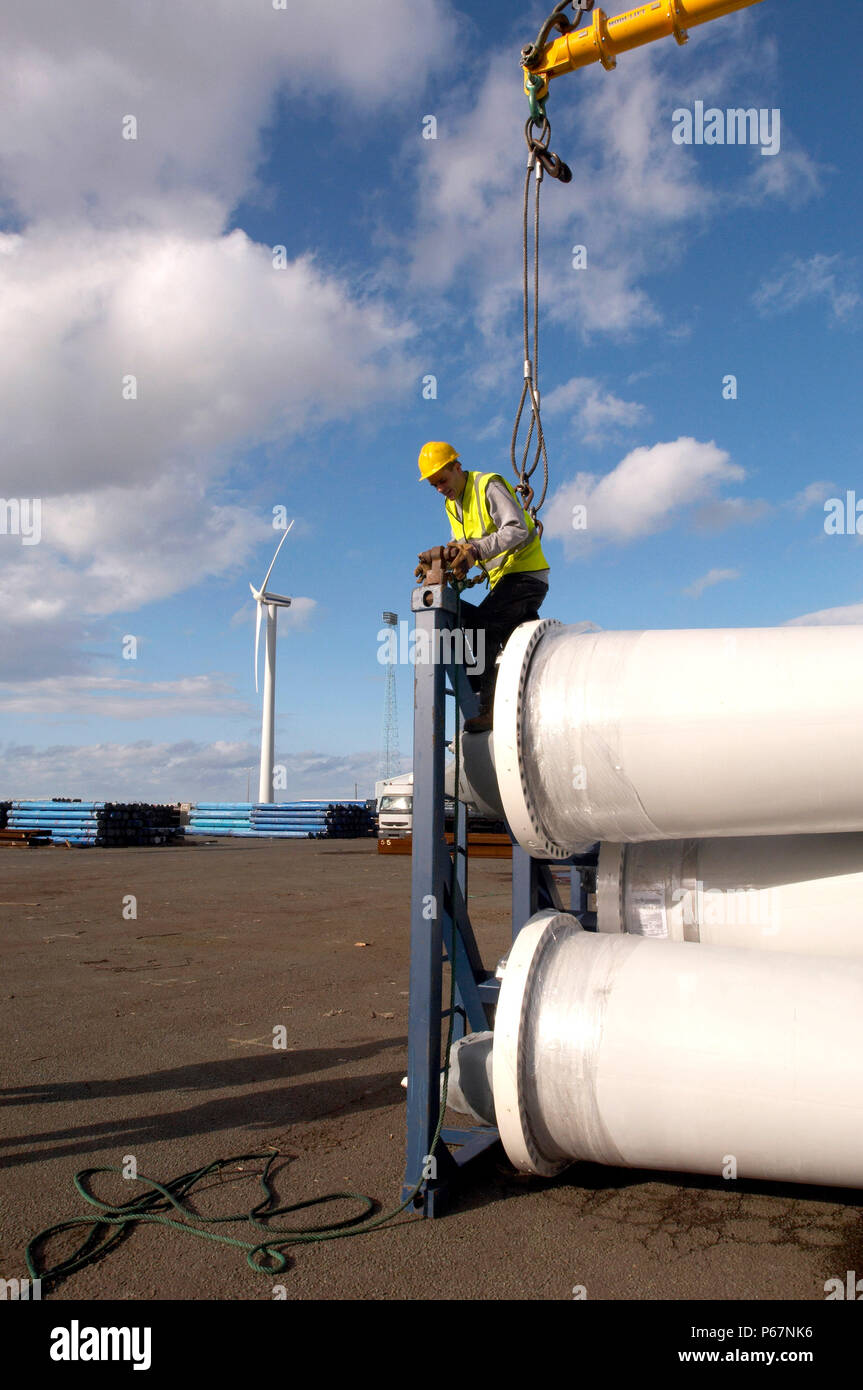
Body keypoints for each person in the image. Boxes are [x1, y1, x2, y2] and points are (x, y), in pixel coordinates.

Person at [417, 441, 550, 733]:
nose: (440, 488)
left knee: (482, 628)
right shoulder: (452, 505)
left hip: (526, 575)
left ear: (457, 467)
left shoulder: (487, 485)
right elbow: (465, 546)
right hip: (503, 580)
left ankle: (488, 708)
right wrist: (450, 563)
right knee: (459, 618)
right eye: (433, 484)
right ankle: (486, 686)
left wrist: (475, 551)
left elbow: (518, 528)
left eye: (442, 479)